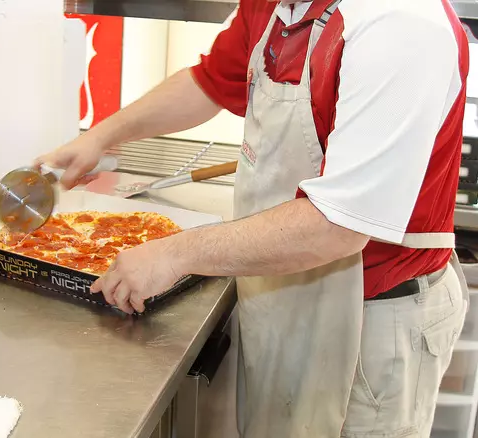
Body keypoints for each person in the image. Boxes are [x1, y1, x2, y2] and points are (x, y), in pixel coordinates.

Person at [37, 0, 471, 436]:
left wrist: (174, 254)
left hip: (372, 321)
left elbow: (338, 226)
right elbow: (209, 84)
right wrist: (101, 135)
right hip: (283, 288)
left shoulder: (399, 23)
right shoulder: (273, 6)